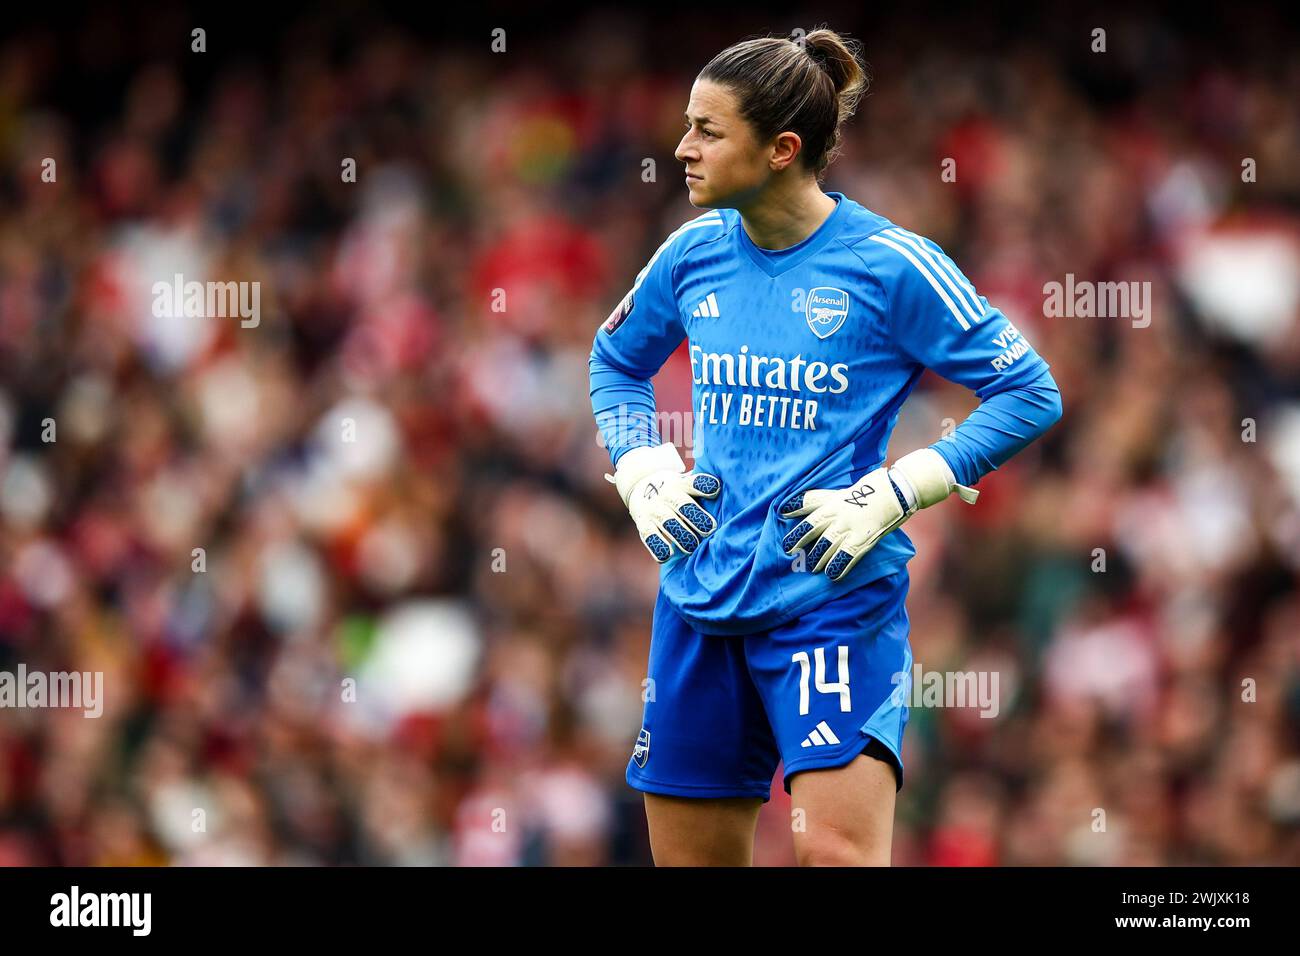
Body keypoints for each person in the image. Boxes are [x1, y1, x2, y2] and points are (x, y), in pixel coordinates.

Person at [588, 27, 1062, 866]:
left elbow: (1029, 390)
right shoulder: (692, 253)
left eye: (707, 130)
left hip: (830, 599)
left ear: (781, 149)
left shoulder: (890, 265)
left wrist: (898, 489)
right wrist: (639, 463)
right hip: (698, 597)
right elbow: (616, 360)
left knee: (834, 858)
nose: (681, 148)